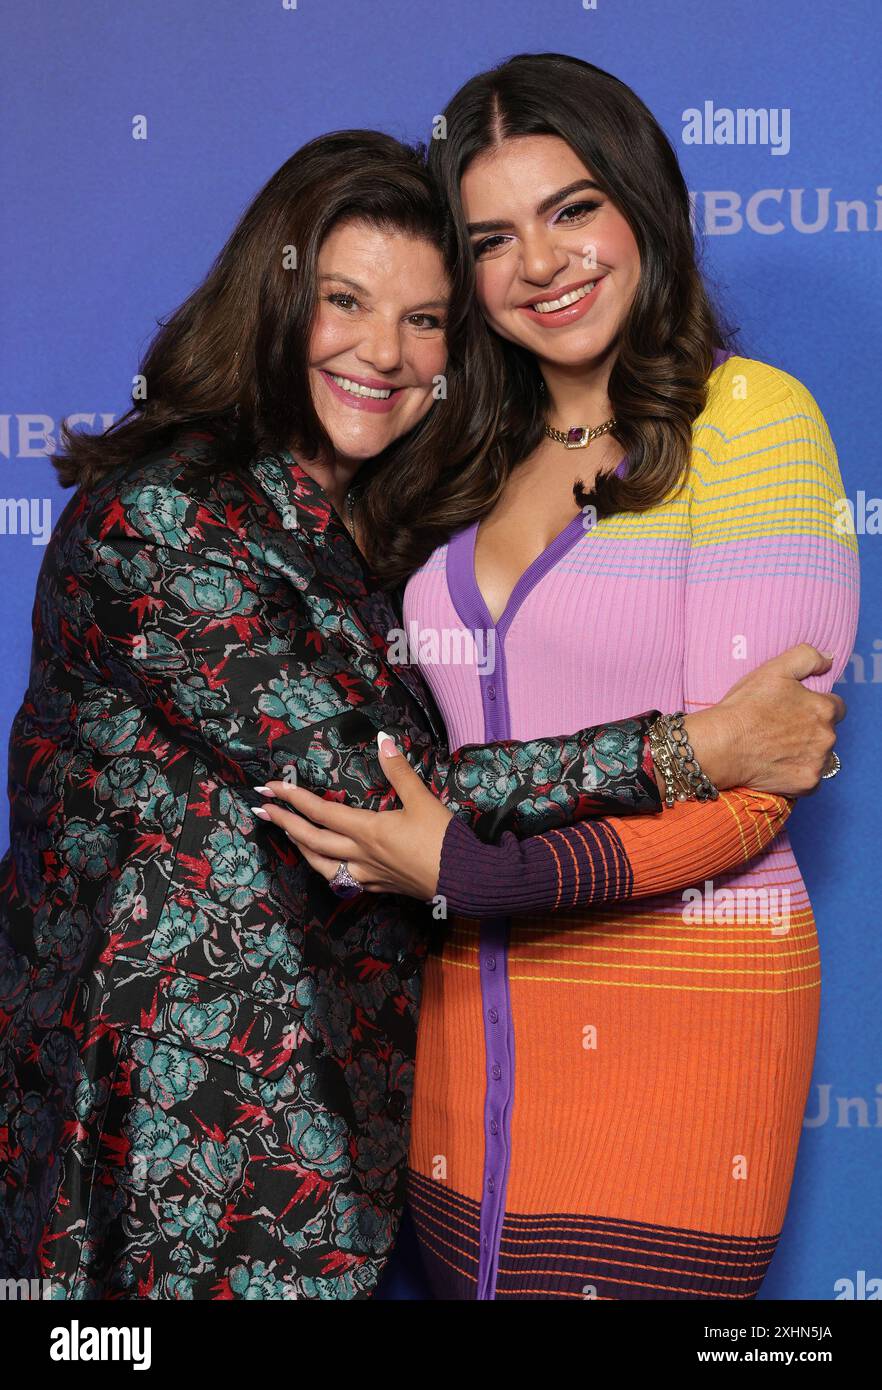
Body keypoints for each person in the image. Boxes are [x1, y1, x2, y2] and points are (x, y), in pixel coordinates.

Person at [257, 57, 859, 1300]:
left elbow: (757, 785)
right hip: (457, 1037)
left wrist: (478, 873)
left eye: (572, 209)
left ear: (642, 202)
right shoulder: (456, 456)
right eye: (493, 239)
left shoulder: (751, 420)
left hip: (683, 1018)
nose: (541, 263)